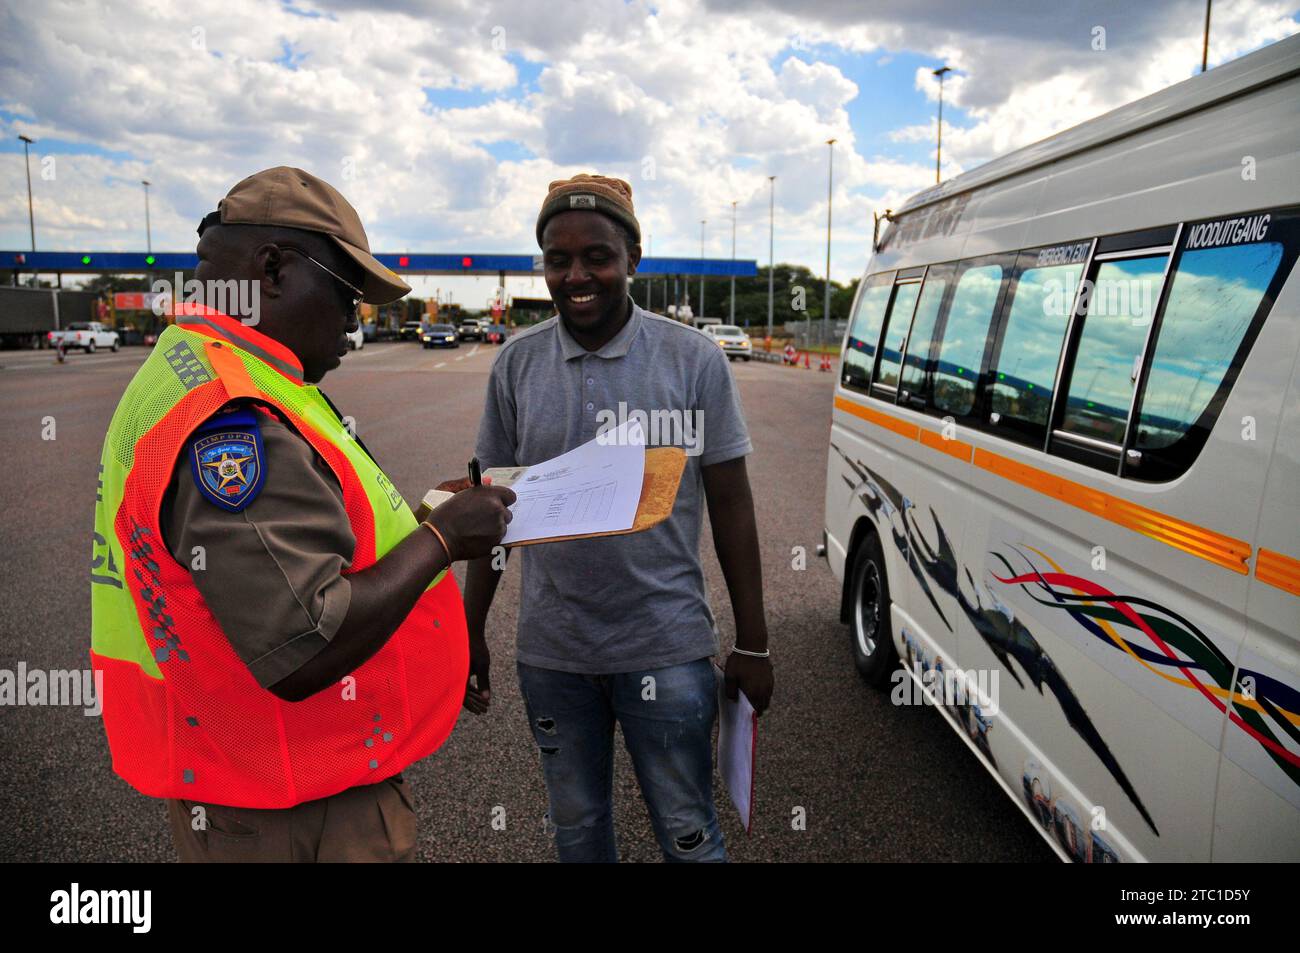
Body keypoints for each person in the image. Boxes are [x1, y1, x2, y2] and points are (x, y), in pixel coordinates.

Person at [89, 166, 515, 862]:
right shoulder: (233, 417)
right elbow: (305, 638)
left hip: (245, 778)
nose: (355, 321)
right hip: (291, 805)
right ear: (274, 269)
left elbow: (289, 550)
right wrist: (442, 538)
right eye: (348, 295)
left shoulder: (198, 366)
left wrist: (420, 518)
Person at [465, 173, 775, 862]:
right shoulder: (516, 367)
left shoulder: (692, 361)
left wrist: (752, 640)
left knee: (689, 835)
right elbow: (490, 511)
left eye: (597, 256)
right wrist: (470, 628)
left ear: (632, 257)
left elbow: (732, 503)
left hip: (666, 649)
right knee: (577, 832)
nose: (577, 275)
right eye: (557, 258)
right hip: (554, 655)